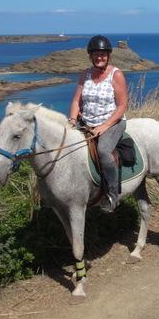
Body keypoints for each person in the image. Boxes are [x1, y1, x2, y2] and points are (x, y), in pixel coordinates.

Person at [68, 35, 128, 212]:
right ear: (90, 56)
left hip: (112, 122)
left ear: (108, 56)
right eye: (95, 54)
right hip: (86, 123)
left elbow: (122, 106)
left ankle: (112, 195)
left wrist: (103, 127)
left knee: (103, 151)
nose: (99, 57)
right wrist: (72, 121)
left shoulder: (116, 75)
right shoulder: (85, 75)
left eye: (102, 54)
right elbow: (75, 101)